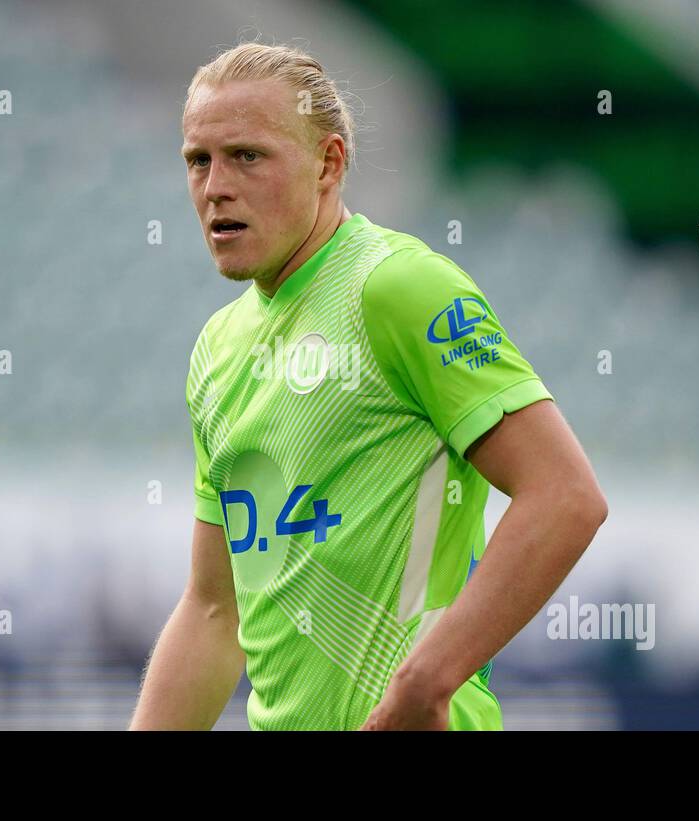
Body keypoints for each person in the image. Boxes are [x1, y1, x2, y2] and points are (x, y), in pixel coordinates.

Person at [130, 42, 607, 730]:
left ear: (328, 163)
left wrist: (426, 681)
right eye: (198, 161)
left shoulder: (397, 287)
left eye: (247, 156)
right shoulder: (217, 349)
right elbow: (215, 609)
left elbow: (565, 496)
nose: (215, 188)